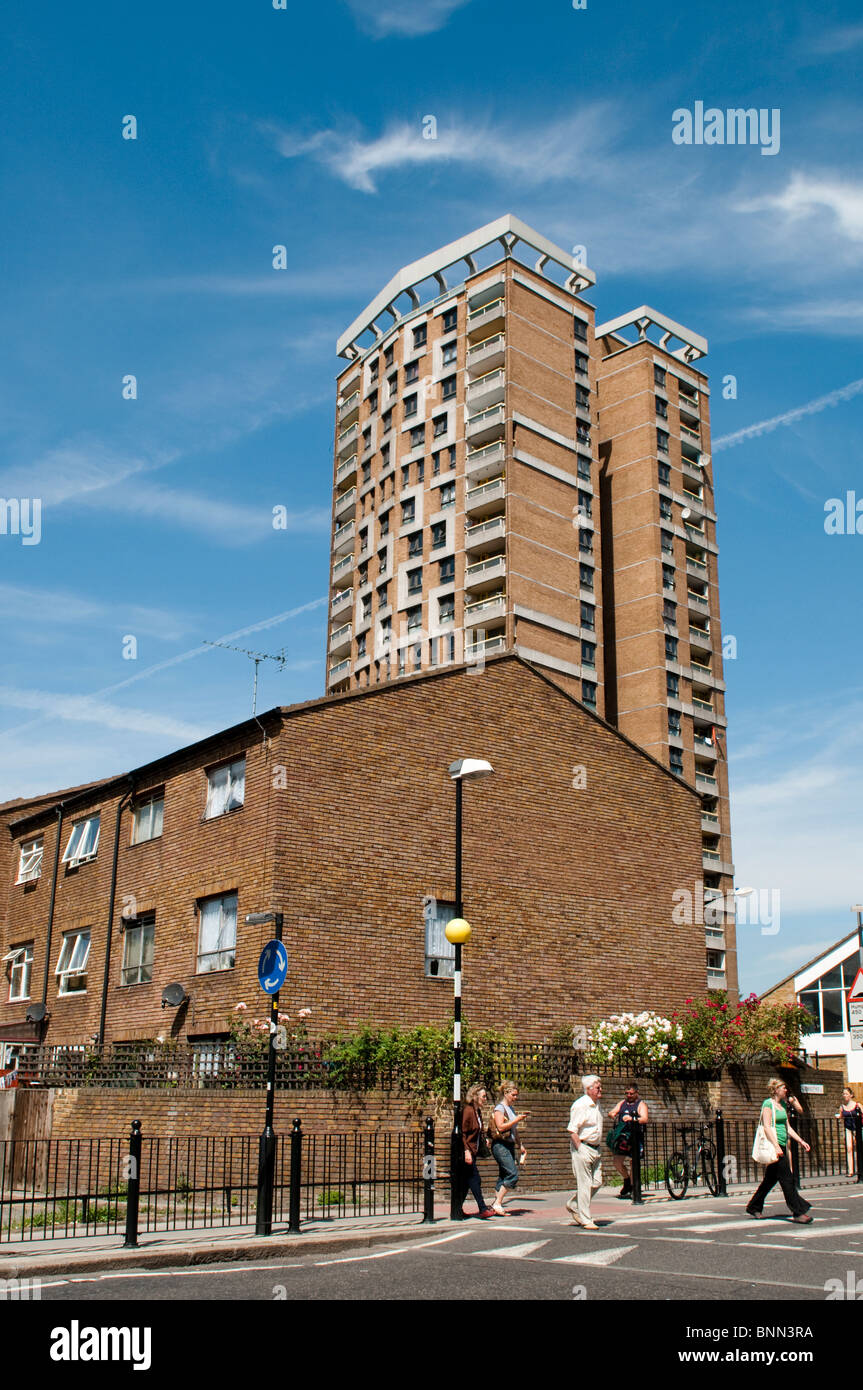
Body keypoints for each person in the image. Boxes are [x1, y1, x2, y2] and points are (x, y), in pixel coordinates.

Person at [746, 1077, 813, 1223]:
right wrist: (776, 1146)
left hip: (781, 1145)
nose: (785, 1090)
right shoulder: (768, 1104)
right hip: (774, 1146)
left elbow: (787, 1127)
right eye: (783, 1088)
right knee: (787, 1179)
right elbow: (767, 1126)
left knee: (770, 1180)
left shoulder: (782, 1105)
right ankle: (798, 1212)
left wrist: (801, 1140)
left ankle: (754, 1206)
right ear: (776, 1090)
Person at [567, 1075, 604, 1229]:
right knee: (584, 1184)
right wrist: (580, 1148)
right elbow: (572, 1130)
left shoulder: (596, 1104)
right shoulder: (580, 1105)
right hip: (583, 1147)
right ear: (588, 1090)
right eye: (597, 1087)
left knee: (597, 1182)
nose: (600, 1089)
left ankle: (574, 1204)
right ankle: (586, 1219)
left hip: (596, 1148)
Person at [490, 1080, 527, 1215]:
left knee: (503, 1175)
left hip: (509, 1144)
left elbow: (514, 1130)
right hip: (500, 1145)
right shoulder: (500, 1108)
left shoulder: (511, 1109)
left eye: (517, 1095)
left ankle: (496, 1204)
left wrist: (520, 1145)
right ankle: (497, 1203)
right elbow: (500, 1126)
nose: (515, 1098)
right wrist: (517, 1119)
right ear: (506, 1093)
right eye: (513, 1095)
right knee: (512, 1174)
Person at [608, 1081, 649, 1198]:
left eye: (631, 1093)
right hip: (622, 1137)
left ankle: (633, 1187)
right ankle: (626, 1180)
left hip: (635, 1137)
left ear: (636, 1093)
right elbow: (613, 1112)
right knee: (617, 1162)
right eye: (627, 1093)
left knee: (633, 1163)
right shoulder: (622, 1103)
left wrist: (632, 1118)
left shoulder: (641, 1105)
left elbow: (645, 1118)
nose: (628, 1096)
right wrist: (612, 1114)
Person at [461, 1083, 496, 1218]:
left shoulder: (477, 1111)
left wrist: (484, 1139)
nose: (485, 1099)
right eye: (484, 1096)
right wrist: (466, 1151)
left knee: (466, 1182)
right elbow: (462, 1133)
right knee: (475, 1178)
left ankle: (458, 1208)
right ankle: (482, 1208)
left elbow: (479, 1130)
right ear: (475, 1096)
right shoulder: (468, 1111)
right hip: (467, 1152)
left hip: (473, 1151)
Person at [836, 1086, 863, 1177]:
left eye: (846, 1094)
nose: (845, 1095)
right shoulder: (842, 1107)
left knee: (860, 1148)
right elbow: (841, 1117)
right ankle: (850, 1170)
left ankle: (861, 1169)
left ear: (851, 1095)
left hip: (858, 1129)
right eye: (843, 1094)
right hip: (848, 1129)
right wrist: (838, 1117)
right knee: (849, 1148)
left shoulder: (857, 1105)